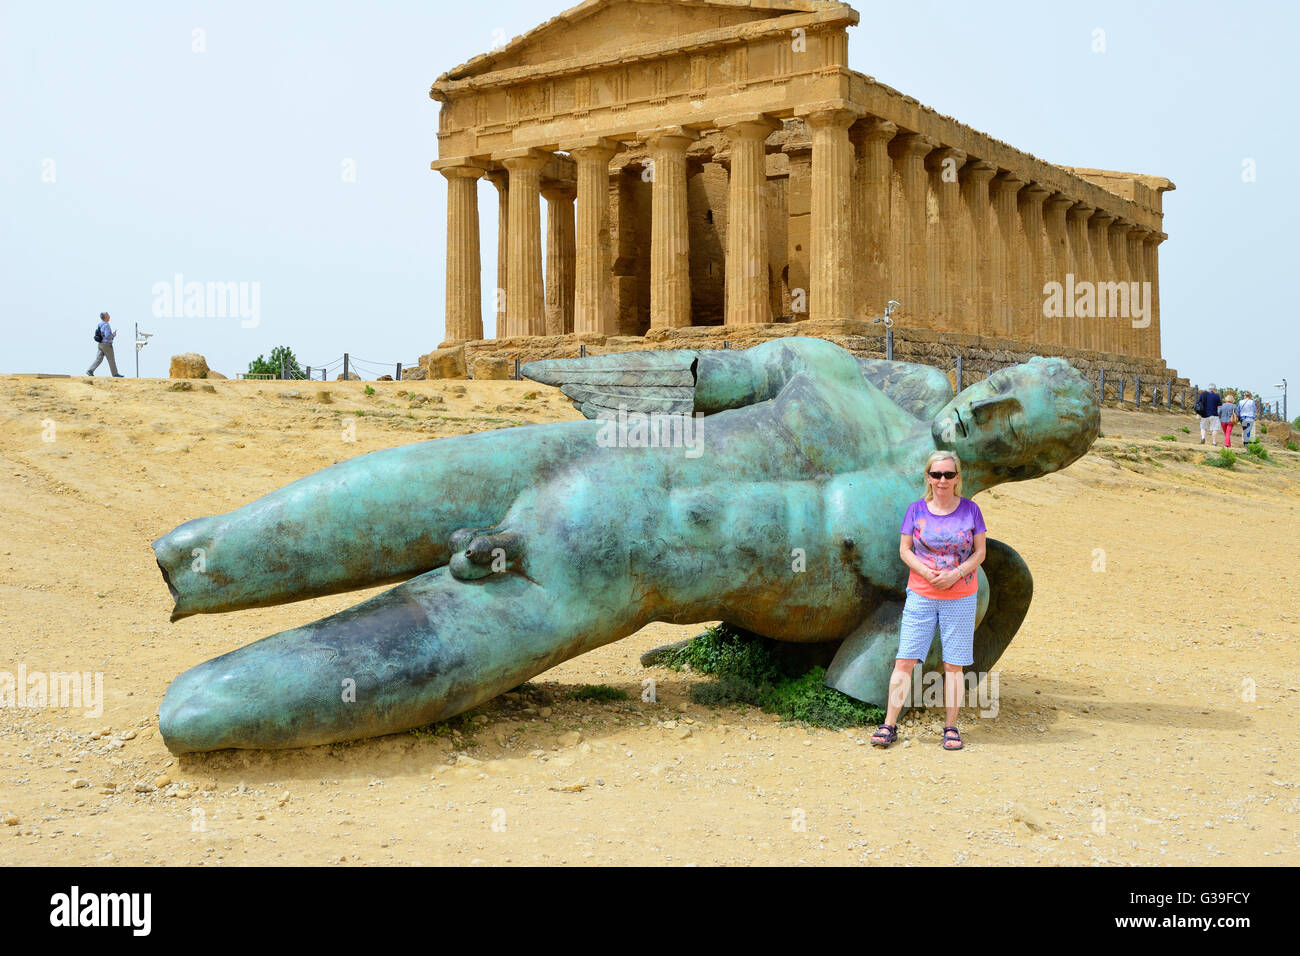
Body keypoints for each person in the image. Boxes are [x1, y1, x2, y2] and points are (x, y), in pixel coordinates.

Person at [871, 449, 987, 752]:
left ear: (958, 477)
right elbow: (905, 550)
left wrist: (955, 574)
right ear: (928, 476)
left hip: (960, 595)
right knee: (905, 660)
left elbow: (980, 552)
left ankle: (951, 727)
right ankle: (889, 724)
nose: (942, 480)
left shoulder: (971, 511)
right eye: (936, 474)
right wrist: (926, 572)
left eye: (949, 474)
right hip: (921, 594)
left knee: (953, 665)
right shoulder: (915, 510)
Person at [87, 312, 124, 377]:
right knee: (111, 359)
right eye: (108, 315)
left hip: (100, 343)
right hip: (107, 344)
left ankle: (90, 370)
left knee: (98, 359)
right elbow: (107, 335)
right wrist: (113, 335)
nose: (109, 316)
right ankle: (115, 374)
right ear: (106, 317)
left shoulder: (99, 324)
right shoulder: (106, 325)